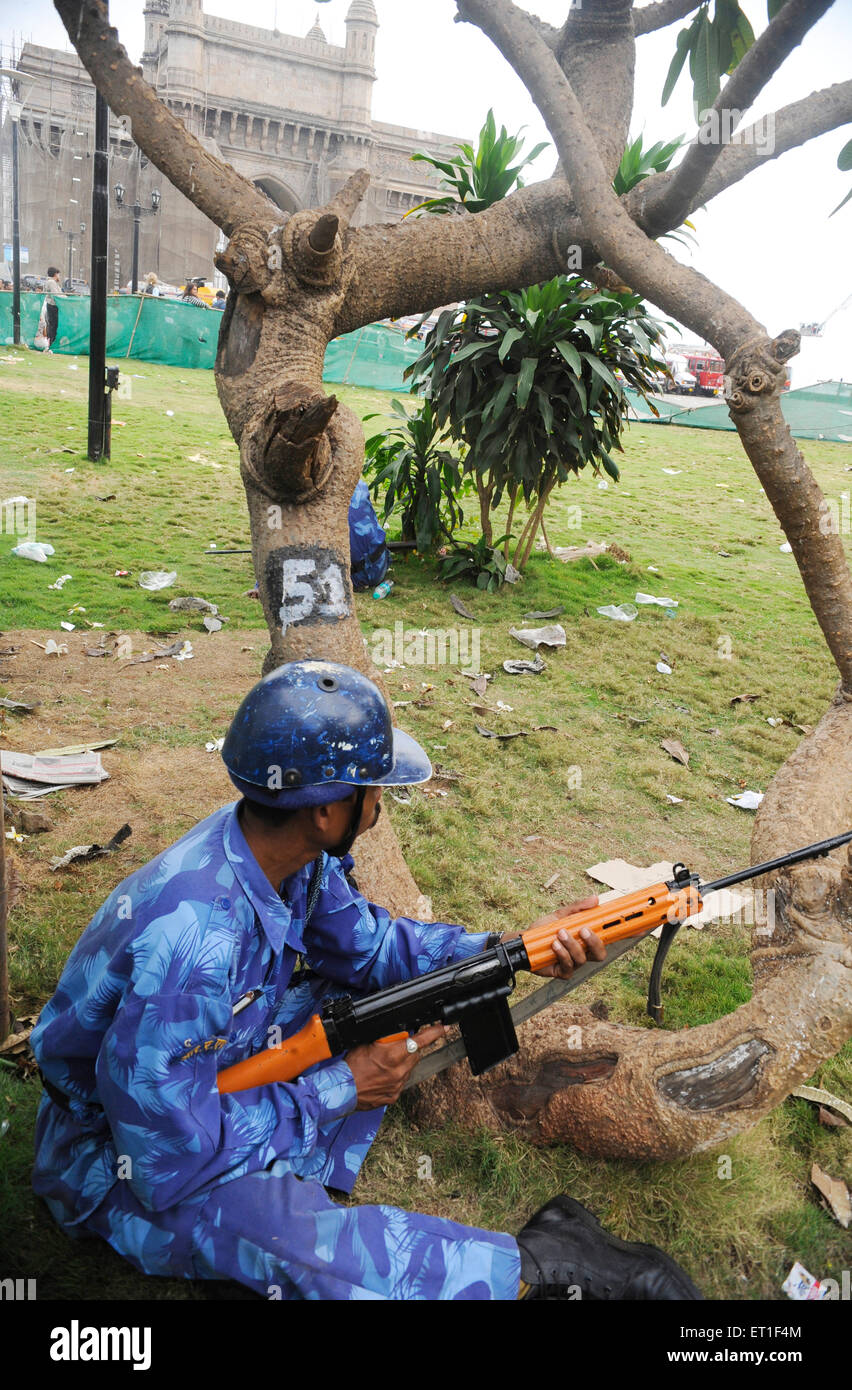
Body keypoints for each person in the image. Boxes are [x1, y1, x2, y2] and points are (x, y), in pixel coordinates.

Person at [31, 662, 702, 1301]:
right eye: (372, 788)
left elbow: (373, 948)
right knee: (282, 1237)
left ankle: (289, 1146)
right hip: (118, 1152)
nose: (381, 801)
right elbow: (166, 1166)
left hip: (209, 1065)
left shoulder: (279, 850)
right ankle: (538, 1268)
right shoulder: (189, 954)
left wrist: (516, 950)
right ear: (326, 811)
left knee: (394, 1000)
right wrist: (341, 1087)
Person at [39, 267, 63, 352]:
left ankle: (51, 344)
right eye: (58, 274)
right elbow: (56, 295)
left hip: (50, 306)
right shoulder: (51, 282)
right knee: (53, 325)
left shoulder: (49, 282)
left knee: (52, 325)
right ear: (55, 274)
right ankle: (52, 344)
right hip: (52, 306)